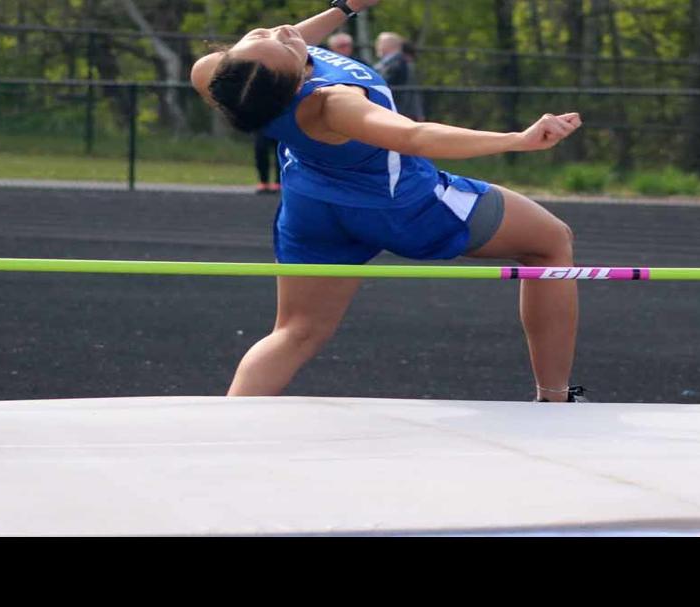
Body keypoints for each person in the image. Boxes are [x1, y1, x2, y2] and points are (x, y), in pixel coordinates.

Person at [190, 0, 586, 403]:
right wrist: (517, 139)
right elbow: (414, 136)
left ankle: (230, 422)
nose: (283, 30)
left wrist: (345, 8)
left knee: (295, 331)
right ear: (294, 82)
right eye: (282, 44)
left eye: (263, 35)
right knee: (550, 242)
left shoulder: (221, 80)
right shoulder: (334, 104)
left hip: (312, 210)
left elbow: (276, 51)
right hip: (402, 207)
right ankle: (555, 398)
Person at [373, 31, 422, 120]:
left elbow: (380, 84)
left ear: (388, 45)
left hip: (397, 112)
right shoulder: (391, 63)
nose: (377, 45)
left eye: (379, 42)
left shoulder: (398, 63)